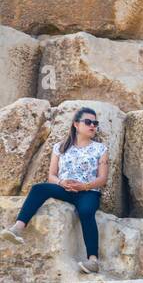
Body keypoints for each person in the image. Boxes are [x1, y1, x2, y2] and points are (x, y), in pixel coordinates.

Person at [2, 107, 109, 274]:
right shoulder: (60, 147)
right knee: (39, 189)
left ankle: (93, 260)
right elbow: (51, 175)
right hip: (65, 189)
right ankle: (17, 228)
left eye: (95, 123)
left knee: (86, 211)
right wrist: (62, 182)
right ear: (76, 124)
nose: (93, 126)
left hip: (88, 192)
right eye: (88, 122)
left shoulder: (100, 149)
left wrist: (84, 186)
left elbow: (102, 179)